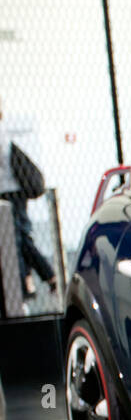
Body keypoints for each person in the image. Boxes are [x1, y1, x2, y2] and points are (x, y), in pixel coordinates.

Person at [0, 96, 57, 296]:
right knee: (18, 238)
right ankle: (31, 281)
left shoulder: (2, 134)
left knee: (17, 239)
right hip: (15, 193)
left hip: (8, 195)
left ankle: (40, 278)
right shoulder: (7, 131)